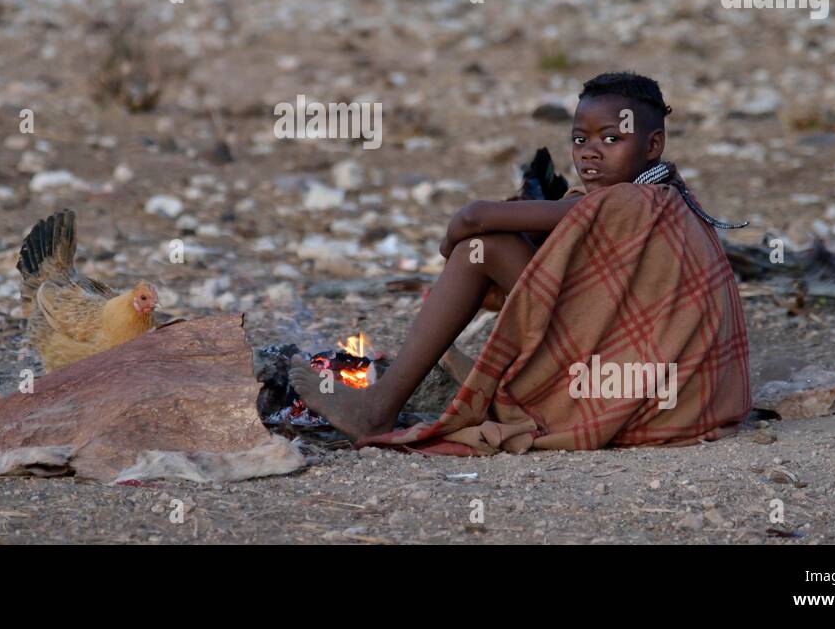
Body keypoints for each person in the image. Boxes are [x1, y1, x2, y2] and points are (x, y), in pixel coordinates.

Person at [290, 71, 752, 453]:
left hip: (644, 391)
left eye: (612, 138)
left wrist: (451, 244)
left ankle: (376, 410)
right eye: (580, 139)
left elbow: (473, 216)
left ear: (652, 146)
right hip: (678, 391)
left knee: (481, 248)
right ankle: (395, 400)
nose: (591, 151)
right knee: (487, 248)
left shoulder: (633, 202)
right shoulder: (662, 196)